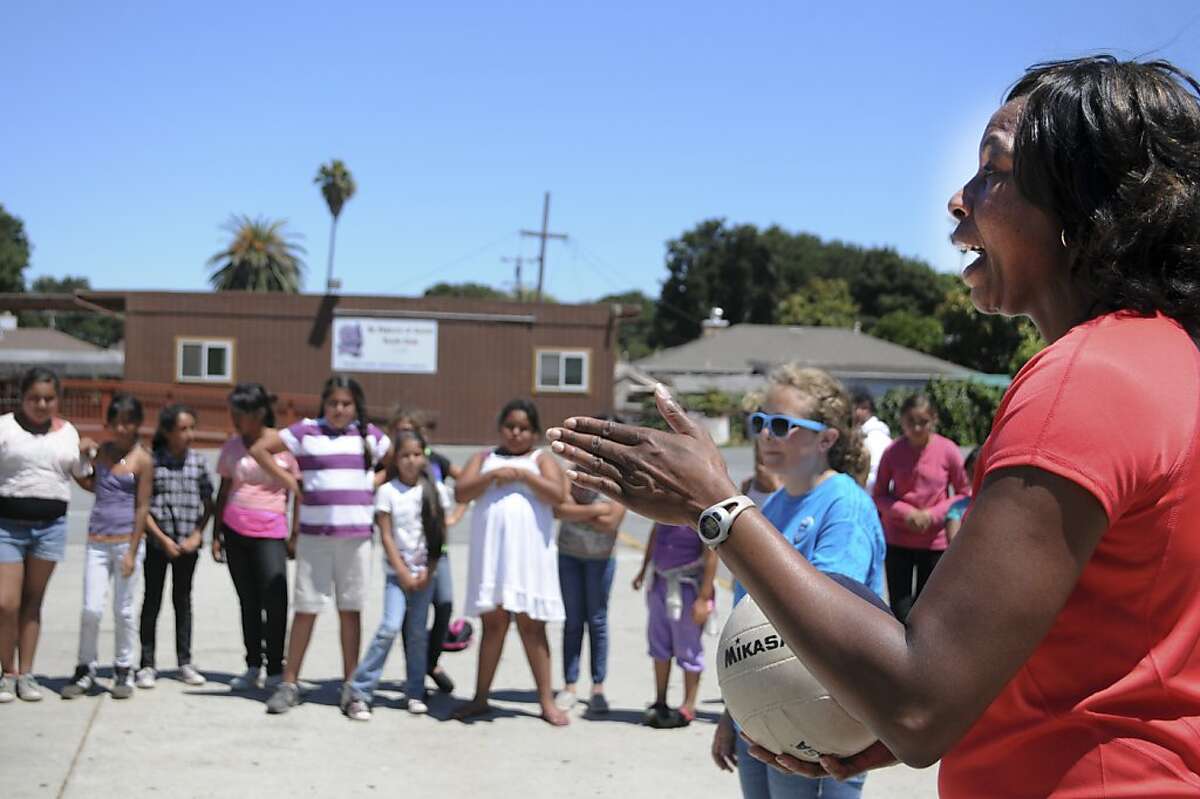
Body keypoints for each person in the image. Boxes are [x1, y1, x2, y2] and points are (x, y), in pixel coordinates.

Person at [546, 56, 1200, 797]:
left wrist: (718, 507)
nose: (959, 201)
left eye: (993, 172)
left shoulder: (1083, 379)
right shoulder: (1170, 359)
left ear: (1090, 206)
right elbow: (1097, 652)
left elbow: (918, 701)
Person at [713, 366, 885, 799]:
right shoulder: (769, 511)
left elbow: (828, 617)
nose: (766, 435)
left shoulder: (843, 504)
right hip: (763, 711)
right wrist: (733, 711)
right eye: (760, 423)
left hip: (819, 717)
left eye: (782, 425)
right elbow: (746, 623)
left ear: (826, 439)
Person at [254, 375, 391, 716]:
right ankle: (289, 682)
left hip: (356, 537)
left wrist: (371, 481)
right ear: (323, 404)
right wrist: (291, 482)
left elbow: (395, 459)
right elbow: (260, 450)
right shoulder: (306, 431)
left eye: (346, 404)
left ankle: (352, 686)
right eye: (333, 403)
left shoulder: (368, 434)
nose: (339, 410)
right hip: (315, 537)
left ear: (356, 405)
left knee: (350, 610)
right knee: (306, 608)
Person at [451, 398, 568, 725]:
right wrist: (494, 475)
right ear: (500, 428)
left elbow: (558, 496)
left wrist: (521, 475)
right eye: (510, 427)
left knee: (532, 627)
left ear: (534, 432)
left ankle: (546, 701)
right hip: (493, 557)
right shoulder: (483, 458)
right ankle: (480, 697)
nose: (516, 433)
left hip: (528, 557)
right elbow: (461, 492)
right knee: (494, 625)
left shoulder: (540, 459)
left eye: (524, 428)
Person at [0, 368, 96, 703]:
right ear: (22, 398)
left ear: (58, 400)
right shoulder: (5, 428)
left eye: (49, 398)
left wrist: (89, 456)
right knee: (6, 603)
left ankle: (26, 675)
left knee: (32, 602)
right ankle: (6, 673)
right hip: (7, 527)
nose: (41, 404)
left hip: (50, 528)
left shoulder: (67, 431)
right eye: (34, 398)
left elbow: (85, 478)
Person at [344, 430, 453, 720]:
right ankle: (359, 691)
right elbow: (387, 536)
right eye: (404, 455)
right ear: (396, 459)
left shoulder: (435, 491)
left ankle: (415, 691)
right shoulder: (388, 492)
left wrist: (428, 571)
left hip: (424, 576)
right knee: (390, 627)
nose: (410, 460)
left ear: (424, 457)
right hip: (397, 576)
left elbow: (439, 535)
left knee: (417, 634)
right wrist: (403, 572)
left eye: (416, 454)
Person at [62, 393, 153, 700]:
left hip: (125, 542)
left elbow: (142, 508)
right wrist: (82, 456)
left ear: (138, 423)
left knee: (124, 611)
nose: (122, 428)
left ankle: (123, 668)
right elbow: (91, 483)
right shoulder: (103, 453)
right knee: (91, 608)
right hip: (97, 541)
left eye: (128, 422)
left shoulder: (143, 459)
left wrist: (132, 550)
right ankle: (85, 667)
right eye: (116, 422)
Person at [212, 383, 300, 691]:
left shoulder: (283, 444)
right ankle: (253, 665)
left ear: (260, 413)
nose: (236, 420)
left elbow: (298, 491)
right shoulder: (231, 446)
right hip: (235, 531)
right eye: (233, 413)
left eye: (242, 414)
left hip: (271, 532)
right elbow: (223, 491)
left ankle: (276, 667)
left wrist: (295, 534)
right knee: (247, 601)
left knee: (275, 601)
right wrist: (217, 534)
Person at [385, 407, 466, 695]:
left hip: (436, 549)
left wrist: (455, 515)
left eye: (410, 430)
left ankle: (431, 662)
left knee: (444, 604)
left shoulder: (435, 461)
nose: (405, 436)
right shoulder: (394, 464)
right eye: (400, 431)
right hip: (407, 553)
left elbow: (465, 482)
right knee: (411, 617)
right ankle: (416, 673)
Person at [136, 404, 214, 689]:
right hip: (159, 544)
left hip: (187, 546)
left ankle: (184, 662)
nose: (190, 434)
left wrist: (197, 535)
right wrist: (163, 539)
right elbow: (142, 507)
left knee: (183, 601)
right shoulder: (152, 461)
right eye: (183, 429)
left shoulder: (199, 462)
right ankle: (146, 663)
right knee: (152, 600)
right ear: (168, 432)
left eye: (192, 427)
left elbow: (209, 502)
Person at [872, 394, 968, 617]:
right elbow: (879, 495)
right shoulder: (892, 452)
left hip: (934, 541)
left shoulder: (948, 450)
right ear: (901, 421)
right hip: (898, 539)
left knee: (928, 610)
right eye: (910, 422)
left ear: (933, 420)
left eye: (922, 422)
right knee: (900, 608)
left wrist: (933, 515)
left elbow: (964, 494)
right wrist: (906, 513)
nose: (916, 428)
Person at [553, 478, 626, 715]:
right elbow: (559, 509)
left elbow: (611, 521)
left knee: (597, 621)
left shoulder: (615, 478)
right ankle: (570, 685)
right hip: (569, 555)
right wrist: (597, 509)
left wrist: (577, 511)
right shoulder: (569, 474)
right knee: (572, 621)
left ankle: (598, 687)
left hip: (601, 558)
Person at [632, 520, 715, 728]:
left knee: (688, 647)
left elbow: (712, 554)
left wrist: (704, 597)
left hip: (687, 588)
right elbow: (655, 534)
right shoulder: (665, 506)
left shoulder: (697, 511)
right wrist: (643, 570)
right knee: (658, 645)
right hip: (660, 583)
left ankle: (688, 704)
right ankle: (660, 700)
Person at [850, 390, 891, 493]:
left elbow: (875, 476)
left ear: (865, 408)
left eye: (853, 408)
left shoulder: (876, 438)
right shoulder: (860, 435)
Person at [942, 448, 979, 543]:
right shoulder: (958, 508)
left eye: (982, 469)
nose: (978, 475)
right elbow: (953, 542)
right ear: (966, 474)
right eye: (973, 471)